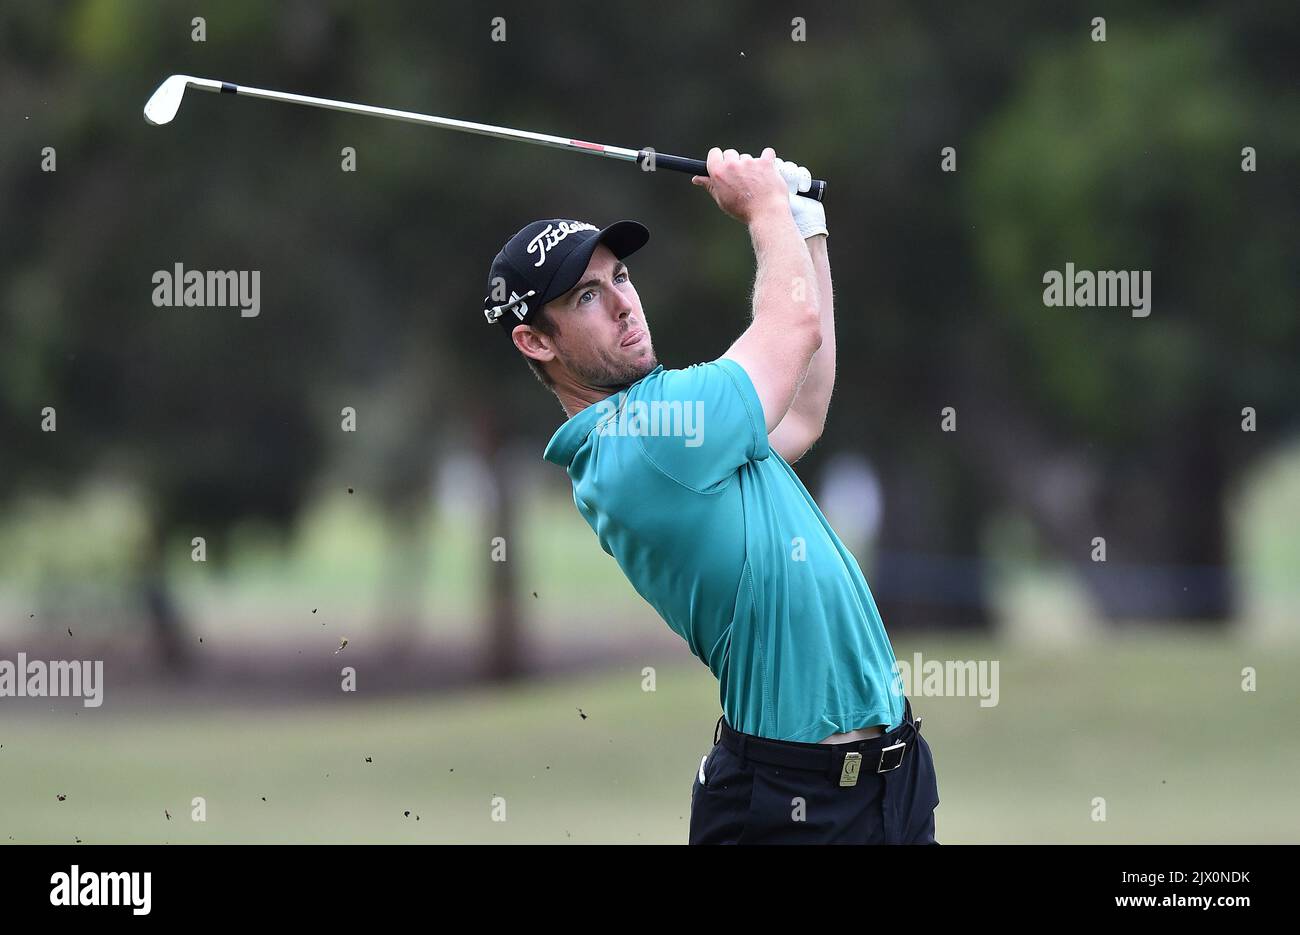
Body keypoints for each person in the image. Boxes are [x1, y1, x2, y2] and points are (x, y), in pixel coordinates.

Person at [482, 148, 939, 844]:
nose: (623, 305)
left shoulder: (678, 430)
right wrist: (763, 213)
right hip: (795, 804)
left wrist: (803, 223)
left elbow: (805, 407)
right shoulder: (646, 436)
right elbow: (792, 331)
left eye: (619, 276)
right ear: (534, 341)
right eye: (585, 297)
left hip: (889, 786)